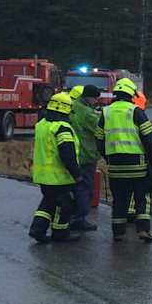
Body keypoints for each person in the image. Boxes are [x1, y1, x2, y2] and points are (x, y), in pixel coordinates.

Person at [96, 78, 152, 242]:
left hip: (115, 165)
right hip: (137, 163)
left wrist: (107, 157)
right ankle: (143, 230)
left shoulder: (105, 112)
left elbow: (99, 139)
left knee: (120, 200)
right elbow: (149, 138)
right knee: (141, 198)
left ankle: (118, 232)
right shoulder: (136, 111)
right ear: (131, 94)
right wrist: (151, 161)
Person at [29, 92, 83, 243]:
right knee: (66, 204)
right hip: (60, 177)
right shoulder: (62, 128)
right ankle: (60, 234)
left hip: (43, 176)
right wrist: (77, 174)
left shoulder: (42, 125)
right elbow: (67, 154)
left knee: (48, 202)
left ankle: (37, 230)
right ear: (66, 110)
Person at [67, 85, 102, 232]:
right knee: (85, 188)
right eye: (96, 99)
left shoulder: (73, 106)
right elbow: (99, 127)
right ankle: (79, 219)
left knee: (72, 188)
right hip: (86, 155)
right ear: (91, 97)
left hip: (71, 154)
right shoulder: (87, 113)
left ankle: (68, 217)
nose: (96, 102)